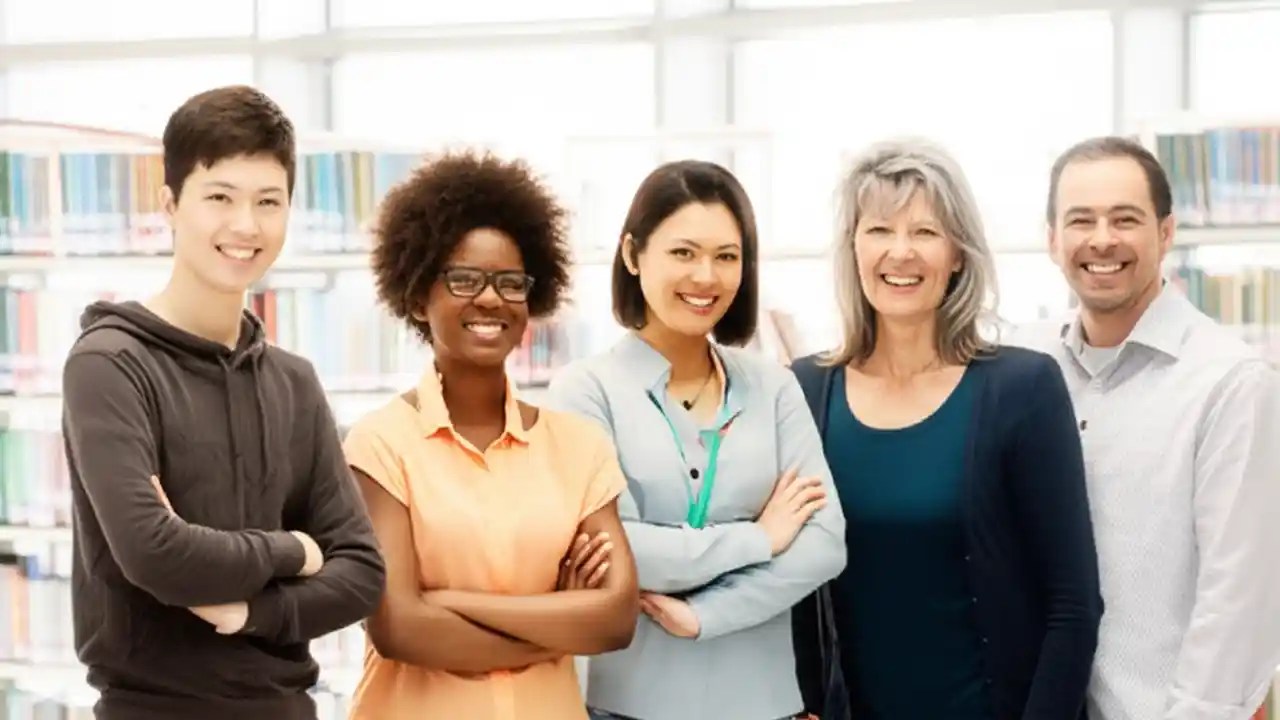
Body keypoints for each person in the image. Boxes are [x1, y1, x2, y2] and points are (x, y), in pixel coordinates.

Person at [59, 85, 386, 720]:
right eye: (220, 198)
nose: (246, 226)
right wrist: (297, 551)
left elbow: (363, 575)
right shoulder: (108, 365)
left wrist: (249, 612)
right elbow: (158, 555)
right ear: (170, 205)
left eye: (269, 201)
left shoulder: (294, 381)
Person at [789, 138, 1104, 720]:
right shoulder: (805, 390)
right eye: (879, 230)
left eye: (925, 233)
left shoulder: (1023, 389)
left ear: (958, 254)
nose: (900, 253)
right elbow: (795, 594)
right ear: (853, 248)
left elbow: (1074, 605)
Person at [340, 149, 639, 720]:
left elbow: (615, 619)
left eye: (509, 283)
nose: (490, 299)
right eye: (463, 279)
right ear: (418, 296)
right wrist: (557, 617)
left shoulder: (580, 450)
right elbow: (399, 629)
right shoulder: (379, 445)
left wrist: (447, 605)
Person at [546, 159, 847, 720]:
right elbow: (616, 554)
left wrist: (707, 615)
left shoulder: (774, 387)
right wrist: (759, 539)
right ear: (634, 255)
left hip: (766, 707)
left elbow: (825, 543)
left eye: (726, 257)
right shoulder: (583, 392)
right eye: (683, 252)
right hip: (624, 708)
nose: (706, 276)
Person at [1006, 135, 1280, 720]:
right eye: (1081, 219)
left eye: (1124, 218)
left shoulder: (1230, 382)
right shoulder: (1024, 371)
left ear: (1166, 232)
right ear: (1052, 239)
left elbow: (1237, 604)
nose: (1102, 239)